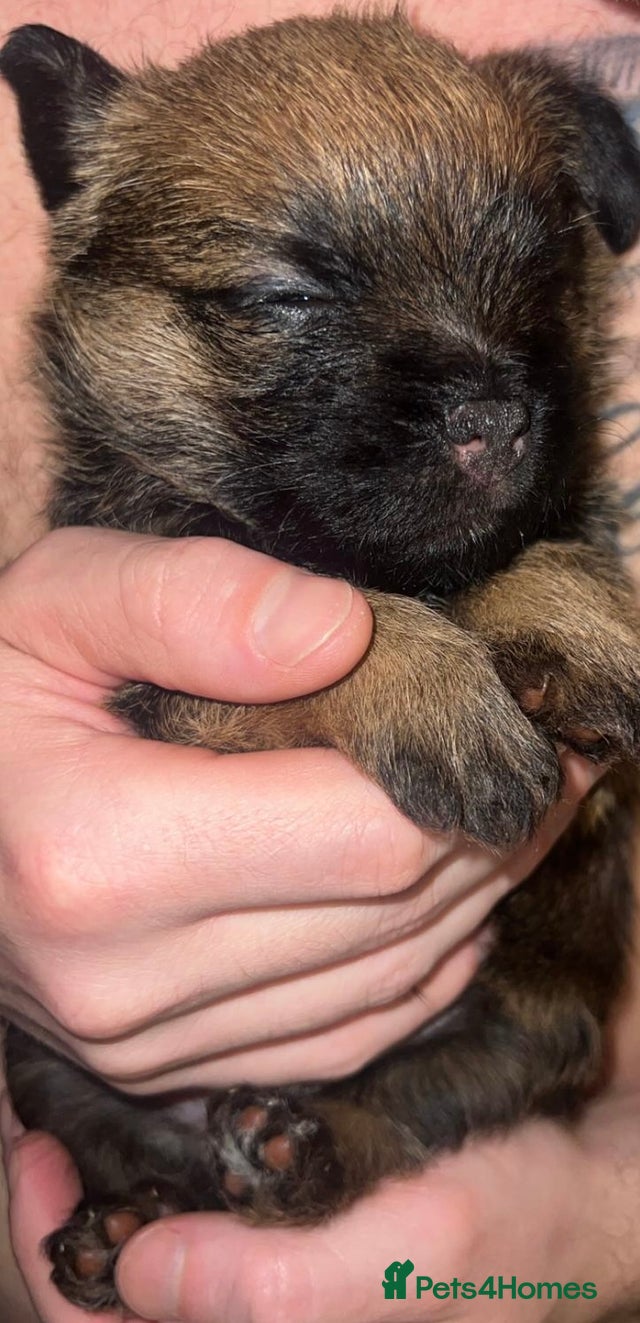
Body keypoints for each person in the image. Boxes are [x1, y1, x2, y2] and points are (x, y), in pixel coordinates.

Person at [0, 1, 639, 1320]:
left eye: (528, 273)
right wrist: (362, 668)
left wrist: (593, 1220)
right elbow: (163, 700)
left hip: (504, 1118)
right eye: (285, 300)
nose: (485, 409)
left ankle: (329, 1160)